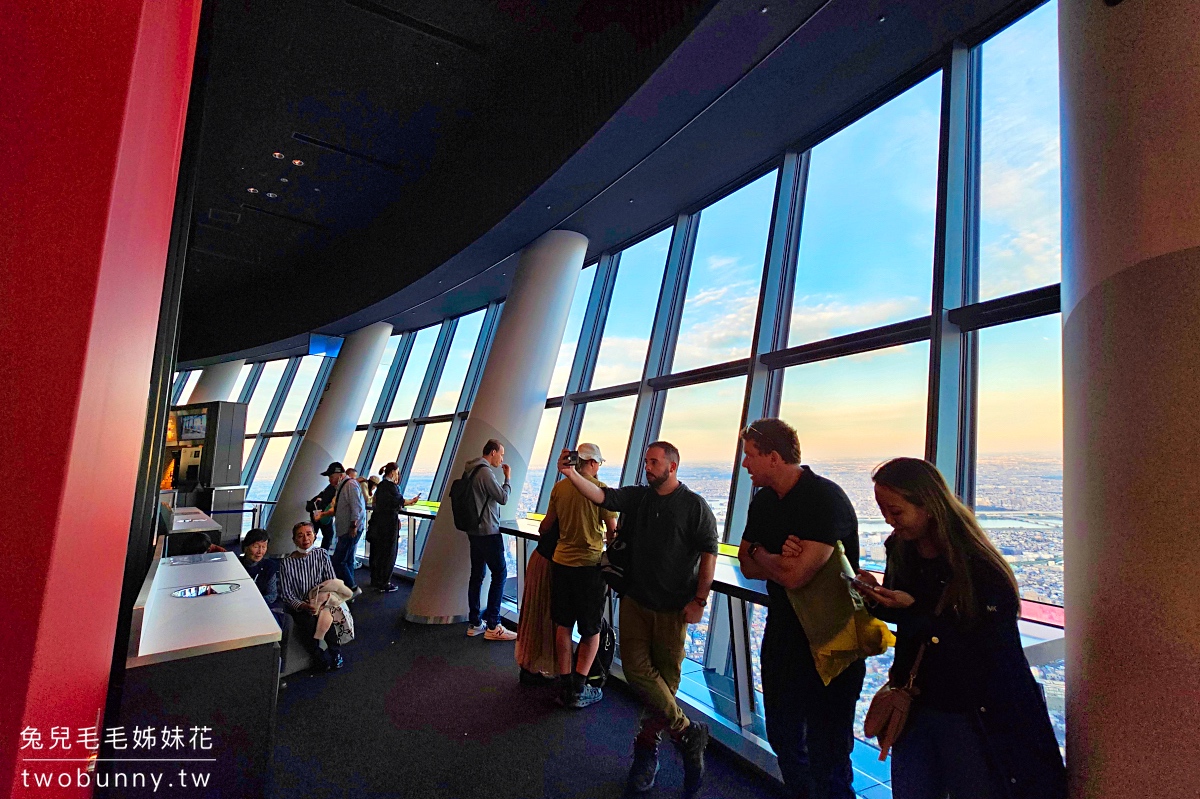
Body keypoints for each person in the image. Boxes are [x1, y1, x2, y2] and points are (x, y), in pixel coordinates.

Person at [856, 458, 1066, 799]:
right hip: (916, 698)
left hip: (967, 708)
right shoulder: (901, 548)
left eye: (895, 511)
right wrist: (877, 598)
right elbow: (910, 617)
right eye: (883, 510)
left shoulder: (976, 566)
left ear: (927, 504)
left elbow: (987, 643)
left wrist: (914, 609)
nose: (888, 520)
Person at [558, 441, 717, 795]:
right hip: (636, 602)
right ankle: (688, 732)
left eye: (654, 462)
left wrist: (700, 600)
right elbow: (603, 497)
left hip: (673, 610)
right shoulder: (640, 498)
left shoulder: (694, 507)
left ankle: (647, 752)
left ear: (672, 467)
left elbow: (709, 554)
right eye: (646, 461)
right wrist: (570, 474)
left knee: (663, 685)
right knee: (637, 672)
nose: (647, 466)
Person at [736, 418, 864, 799]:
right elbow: (745, 562)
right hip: (785, 636)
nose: (745, 465)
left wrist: (766, 557)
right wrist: (772, 556)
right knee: (782, 732)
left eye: (750, 457)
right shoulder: (763, 501)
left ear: (774, 457)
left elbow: (795, 576)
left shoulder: (823, 498)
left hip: (832, 639)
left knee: (829, 751)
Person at [541, 443, 617, 709]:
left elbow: (545, 526)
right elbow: (612, 530)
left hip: (561, 564)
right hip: (590, 567)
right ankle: (579, 687)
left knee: (563, 624)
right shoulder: (600, 491)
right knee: (591, 628)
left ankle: (564, 683)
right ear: (593, 463)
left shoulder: (559, 488)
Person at [459, 440, 518, 641]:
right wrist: (507, 478)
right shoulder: (484, 472)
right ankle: (493, 625)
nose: (502, 458)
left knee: (477, 576)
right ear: (492, 452)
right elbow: (502, 497)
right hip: (488, 532)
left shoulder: (470, 469)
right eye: (501, 454)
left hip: (474, 531)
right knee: (500, 574)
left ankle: (475, 623)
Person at [278, 521, 345, 671]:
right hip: (300, 605)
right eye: (300, 536)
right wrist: (303, 605)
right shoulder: (286, 563)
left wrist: (321, 603)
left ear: (315, 536)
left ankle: (336, 652)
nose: (305, 539)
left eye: (309, 534)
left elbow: (331, 581)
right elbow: (286, 594)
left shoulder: (321, 554)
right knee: (308, 624)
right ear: (294, 539)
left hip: (322, 600)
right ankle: (317, 655)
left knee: (326, 618)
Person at [239, 527, 294, 678]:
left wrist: (255, 603)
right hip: (239, 609)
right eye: (256, 546)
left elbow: (272, 595)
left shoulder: (269, 566)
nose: (260, 551)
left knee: (285, 622)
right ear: (246, 546)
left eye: (264, 547)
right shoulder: (236, 565)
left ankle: (278, 668)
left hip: (262, 607)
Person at [366, 462, 420, 592]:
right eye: (397, 472)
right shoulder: (391, 487)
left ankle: (376, 579)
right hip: (388, 526)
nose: (398, 475)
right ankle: (384, 582)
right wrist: (412, 501)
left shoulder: (381, 487)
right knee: (388, 553)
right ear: (392, 473)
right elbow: (399, 501)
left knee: (377, 553)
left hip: (378, 524)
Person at [317, 461, 366, 598]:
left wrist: (353, 526)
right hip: (347, 529)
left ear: (339, 475)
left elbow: (356, 507)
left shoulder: (350, 485)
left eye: (331, 476)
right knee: (348, 559)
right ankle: (348, 588)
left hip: (349, 530)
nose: (329, 480)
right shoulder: (343, 486)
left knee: (338, 560)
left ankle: (352, 588)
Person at [307, 482, 337, 549]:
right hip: (322, 513)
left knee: (314, 533)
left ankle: (307, 551)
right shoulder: (336, 488)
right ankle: (322, 554)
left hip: (317, 512)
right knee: (328, 535)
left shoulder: (330, 487)